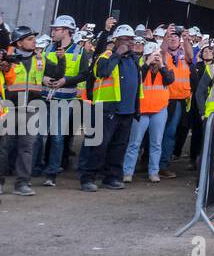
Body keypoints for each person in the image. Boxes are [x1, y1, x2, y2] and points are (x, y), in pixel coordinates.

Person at [78, 24, 143, 192]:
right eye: (126, 39)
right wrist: (117, 54)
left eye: (131, 39)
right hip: (107, 109)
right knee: (99, 145)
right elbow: (102, 72)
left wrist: (136, 109)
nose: (130, 43)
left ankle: (111, 177)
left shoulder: (134, 59)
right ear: (116, 40)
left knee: (119, 146)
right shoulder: (106, 56)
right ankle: (88, 178)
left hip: (126, 111)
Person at [38, 15, 90, 187]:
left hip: (64, 99)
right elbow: (41, 68)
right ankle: (37, 167)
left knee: (58, 136)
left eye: (57, 29)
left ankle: (51, 173)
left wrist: (65, 80)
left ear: (67, 31)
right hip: (45, 97)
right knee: (38, 135)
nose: (53, 32)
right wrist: (43, 78)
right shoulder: (47, 48)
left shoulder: (79, 51)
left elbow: (84, 74)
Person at [0, 25, 44, 196]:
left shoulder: (40, 58)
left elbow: (53, 73)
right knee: (3, 147)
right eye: (30, 39)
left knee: (26, 148)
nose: (34, 42)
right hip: (9, 109)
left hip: (31, 109)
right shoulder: (6, 59)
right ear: (19, 43)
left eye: (34, 39)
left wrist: (60, 64)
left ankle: (22, 183)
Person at [122, 42, 174, 183]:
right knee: (134, 143)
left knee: (156, 143)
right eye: (152, 56)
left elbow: (170, 80)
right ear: (145, 56)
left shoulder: (166, 69)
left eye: (157, 56)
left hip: (159, 110)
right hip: (141, 111)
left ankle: (154, 172)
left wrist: (162, 65)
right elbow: (136, 79)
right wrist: (147, 63)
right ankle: (127, 172)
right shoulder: (138, 67)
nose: (155, 59)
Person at [157, 26, 193, 179]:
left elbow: (191, 56)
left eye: (175, 37)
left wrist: (186, 39)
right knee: (161, 133)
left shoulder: (184, 55)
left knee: (170, 133)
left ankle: (163, 164)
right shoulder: (163, 55)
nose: (173, 39)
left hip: (179, 100)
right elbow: (162, 50)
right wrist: (166, 35)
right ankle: (154, 164)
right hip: (164, 98)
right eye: (170, 37)